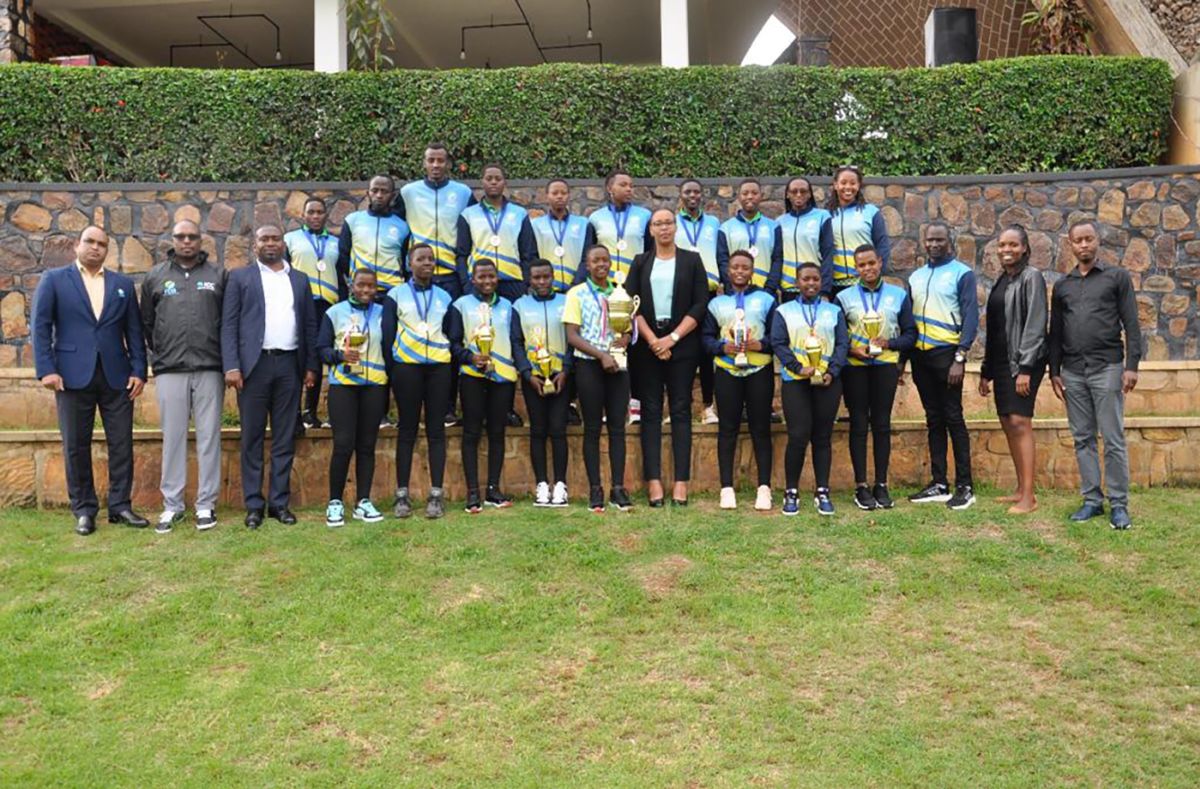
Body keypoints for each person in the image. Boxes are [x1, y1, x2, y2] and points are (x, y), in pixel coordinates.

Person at [32, 226, 148, 536]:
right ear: (76, 245)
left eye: (102, 244)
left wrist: (139, 370)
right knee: (75, 445)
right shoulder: (54, 280)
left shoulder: (122, 285)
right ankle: (84, 509)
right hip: (70, 377)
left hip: (117, 377)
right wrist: (46, 370)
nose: (96, 248)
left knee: (122, 444)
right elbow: (40, 327)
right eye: (90, 242)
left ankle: (121, 506)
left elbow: (134, 333)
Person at [222, 225, 320, 529]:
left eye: (275, 239)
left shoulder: (300, 280)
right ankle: (253, 505)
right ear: (255, 245)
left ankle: (279, 503)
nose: (270, 244)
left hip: (290, 366)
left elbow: (309, 327)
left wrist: (311, 367)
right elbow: (228, 324)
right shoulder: (240, 278)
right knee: (251, 437)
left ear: (283, 244)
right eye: (264, 239)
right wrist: (232, 366)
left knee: (284, 438)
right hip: (253, 368)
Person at [1049, 220, 1141, 530]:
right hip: (1072, 372)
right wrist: (1054, 372)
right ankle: (1092, 500)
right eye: (1078, 240)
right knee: (1082, 438)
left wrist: (1132, 366)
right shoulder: (1063, 286)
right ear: (1071, 245)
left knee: (1113, 439)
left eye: (1089, 239)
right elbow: (1056, 331)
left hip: (1108, 367)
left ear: (1097, 242)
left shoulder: (1117, 278)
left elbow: (1132, 323)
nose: (1084, 245)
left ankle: (1118, 504)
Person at [140, 219, 226, 533]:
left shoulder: (218, 275)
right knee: (173, 439)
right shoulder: (155, 277)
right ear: (172, 240)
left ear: (201, 240)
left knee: (208, 438)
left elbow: (226, 322)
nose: (187, 241)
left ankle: (206, 505)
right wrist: (161, 353)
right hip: (170, 369)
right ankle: (172, 506)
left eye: (192, 236)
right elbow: (147, 324)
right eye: (181, 236)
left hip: (209, 368)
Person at [626, 208, 709, 506]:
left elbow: (700, 304)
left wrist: (672, 338)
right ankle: (654, 483)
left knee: (681, 410)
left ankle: (681, 483)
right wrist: (653, 341)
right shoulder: (640, 262)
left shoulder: (691, 260)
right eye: (657, 224)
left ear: (676, 227)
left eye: (668, 223)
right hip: (647, 347)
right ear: (650, 230)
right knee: (650, 413)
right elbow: (631, 306)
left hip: (682, 345)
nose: (663, 228)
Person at [395, 141, 476, 427]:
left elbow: (473, 230)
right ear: (424, 162)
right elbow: (396, 233)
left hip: (451, 279)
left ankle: (448, 408)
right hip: (418, 279)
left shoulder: (464, 193)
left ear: (449, 163)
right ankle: (413, 408)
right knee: (417, 338)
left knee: (450, 341)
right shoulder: (407, 193)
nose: (436, 165)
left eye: (441, 160)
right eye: (431, 160)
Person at [836, 244, 916, 511]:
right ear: (855, 267)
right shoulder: (844, 297)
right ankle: (861, 486)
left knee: (881, 424)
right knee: (859, 424)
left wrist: (890, 344)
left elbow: (910, 335)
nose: (867, 269)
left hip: (885, 367)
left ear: (880, 262)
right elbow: (837, 338)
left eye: (871, 263)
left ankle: (881, 484)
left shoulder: (898, 295)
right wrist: (851, 349)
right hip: (855, 367)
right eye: (861, 265)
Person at [906, 221, 979, 511]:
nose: (934, 244)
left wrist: (960, 356)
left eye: (939, 240)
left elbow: (971, 315)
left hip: (948, 355)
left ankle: (965, 486)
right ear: (924, 243)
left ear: (949, 242)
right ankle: (939, 482)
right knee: (933, 418)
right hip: (921, 356)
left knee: (953, 417)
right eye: (929, 240)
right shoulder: (916, 276)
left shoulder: (962, 273)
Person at [978, 225, 1048, 515]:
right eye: (1002, 245)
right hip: (1001, 363)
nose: (1006, 250)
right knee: (1008, 421)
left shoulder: (1032, 278)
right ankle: (1020, 489)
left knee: (1020, 422)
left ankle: (1029, 497)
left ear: (1025, 248)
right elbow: (995, 329)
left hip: (1022, 364)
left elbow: (1034, 324)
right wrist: (986, 371)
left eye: (1013, 245)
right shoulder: (1002, 281)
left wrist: (1026, 368)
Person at [381, 244, 454, 520]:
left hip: (438, 369)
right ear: (409, 263)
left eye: (430, 259)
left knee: (436, 430)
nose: (427, 263)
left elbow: (450, 333)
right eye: (420, 259)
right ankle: (402, 495)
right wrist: (393, 370)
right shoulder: (395, 295)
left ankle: (436, 494)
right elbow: (388, 335)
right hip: (406, 370)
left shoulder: (445, 296)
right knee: (407, 430)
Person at [701, 249, 777, 511]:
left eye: (745, 267)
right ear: (728, 271)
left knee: (761, 428)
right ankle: (726, 488)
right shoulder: (716, 304)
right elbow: (706, 338)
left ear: (752, 270)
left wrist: (761, 344)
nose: (740, 271)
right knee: (728, 429)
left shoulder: (767, 300)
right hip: (727, 372)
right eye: (735, 267)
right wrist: (722, 348)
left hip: (759, 371)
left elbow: (777, 337)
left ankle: (764, 488)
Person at [772, 262, 849, 516]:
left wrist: (831, 371)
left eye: (815, 279)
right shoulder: (783, 311)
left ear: (821, 281)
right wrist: (798, 367)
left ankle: (822, 490)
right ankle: (791, 491)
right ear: (797, 282)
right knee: (797, 435)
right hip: (796, 382)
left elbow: (842, 345)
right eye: (806, 279)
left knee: (822, 436)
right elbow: (779, 343)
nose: (811, 283)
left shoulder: (833, 310)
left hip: (827, 381)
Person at [564, 245, 634, 513]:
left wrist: (623, 341)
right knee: (592, 428)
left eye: (605, 260)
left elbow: (627, 327)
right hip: (589, 366)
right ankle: (595, 488)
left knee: (618, 428)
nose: (601, 264)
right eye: (596, 261)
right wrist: (601, 355)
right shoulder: (576, 294)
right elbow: (572, 335)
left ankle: (618, 488)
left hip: (618, 365)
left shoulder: (620, 292)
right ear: (587, 264)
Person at [317, 268, 388, 527]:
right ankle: (335, 502)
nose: (366, 291)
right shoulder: (334, 313)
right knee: (344, 443)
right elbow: (321, 349)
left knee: (367, 445)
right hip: (344, 386)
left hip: (375, 386)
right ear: (351, 285)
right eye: (361, 285)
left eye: (371, 286)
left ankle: (363, 501)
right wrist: (339, 355)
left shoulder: (383, 313)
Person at [447, 259, 517, 513]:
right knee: (472, 433)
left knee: (497, 433)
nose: (487, 281)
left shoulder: (508, 306)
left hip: (502, 378)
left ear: (497, 278)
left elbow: (515, 340)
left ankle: (493, 489)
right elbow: (453, 344)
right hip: (472, 377)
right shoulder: (460, 305)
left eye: (492, 277)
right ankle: (472, 492)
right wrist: (470, 357)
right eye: (482, 277)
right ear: (473, 279)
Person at [512, 259, 571, 507]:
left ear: (553, 276)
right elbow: (516, 341)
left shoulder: (566, 302)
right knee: (538, 430)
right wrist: (527, 373)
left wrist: (566, 370)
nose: (542, 282)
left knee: (558, 429)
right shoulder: (520, 306)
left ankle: (560, 484)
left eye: (546, 277)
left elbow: (572, 337)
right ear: (529, 280)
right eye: (536, 278)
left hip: (560, 377)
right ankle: (542, 484)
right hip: (533, 379)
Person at [284, 197, 340, 429]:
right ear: (303, 216)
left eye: (320, 212)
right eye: (311, 212)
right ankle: (293, 412)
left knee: (318, 358)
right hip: (300, 305)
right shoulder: (290, 240)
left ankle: (311, 412)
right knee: (299, 356)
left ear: (326, 215)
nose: (316, 216)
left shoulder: (336, 243)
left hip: (328, 308)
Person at [675, 178, 722, 424]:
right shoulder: (671, 223)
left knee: (706, 352)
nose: (692, 195)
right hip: (680, 293)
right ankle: (678, 406)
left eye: (696, 191)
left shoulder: (714, 223)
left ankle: (707, 406)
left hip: (709, 292)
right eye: (687, 192)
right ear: (680, 195)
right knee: (681, 351)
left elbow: (720, 254)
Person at [456, 162, 536, 303]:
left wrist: (524, 284)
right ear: (482, 182)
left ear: (505, 182)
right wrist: (466, 284)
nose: (493, 182)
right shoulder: (468, 214)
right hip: (479, 282)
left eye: (498, 179)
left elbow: (528, 253)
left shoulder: (519, 214)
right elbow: (462, 254)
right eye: (489, 178)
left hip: (512, 283)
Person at [337, 174, 410, 295]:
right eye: (374, 191)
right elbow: (343, 256)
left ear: (393, 195)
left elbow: (405, 261)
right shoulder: (353, 221)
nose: (379, 195)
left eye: (384, 191)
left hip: (392, 291)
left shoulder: (403, 227)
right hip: (361, 290)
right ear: (367, 193)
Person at [579, 168, 653, 285]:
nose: (629, 189)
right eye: (623, 185)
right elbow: (587, 254)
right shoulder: (596, 218)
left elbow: (651, 251)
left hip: (635, 282)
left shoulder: (645, 216)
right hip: (605, 283)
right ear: (609, 189)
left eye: (631, 186)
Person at [826, 165, 891, 296]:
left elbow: (882, 244)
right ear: (835, 185)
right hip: (834, 284)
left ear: (859, 185)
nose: (848, 187)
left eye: (853, 183)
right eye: (843, 183)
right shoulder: (826, 214)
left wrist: (877, 272)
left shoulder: (871, 212)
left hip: (864, 280)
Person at [716, 178, 783, 296]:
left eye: (754, 193)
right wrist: (731, 287)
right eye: (745, 193)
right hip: (735, 291)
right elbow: (723, 261)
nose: (750, 197)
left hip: (765, 291)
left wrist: (770, 288)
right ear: (738, 197)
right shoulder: (726, 228)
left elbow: (777, 259)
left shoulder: (773, 227)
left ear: (761, 196)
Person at [779, 176, 834, 301]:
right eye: (794, 191)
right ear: (788, 195)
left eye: (803, 191)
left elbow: (828, 253)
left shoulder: (822, 216)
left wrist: (824, 289)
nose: (798, 195)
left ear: (809, 194)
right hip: (789, 287)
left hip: (813, 286)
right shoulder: (780, 221)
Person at [530, 178, 588, 295]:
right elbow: (533, 256)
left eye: (563, 193)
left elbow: (586, 257)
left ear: (569, 196)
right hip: (547, 288)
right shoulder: (535, 225)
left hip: (576, 287)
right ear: (547, 196)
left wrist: (576, 283)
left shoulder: (583, 223)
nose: (559, 196)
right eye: (555, 193)